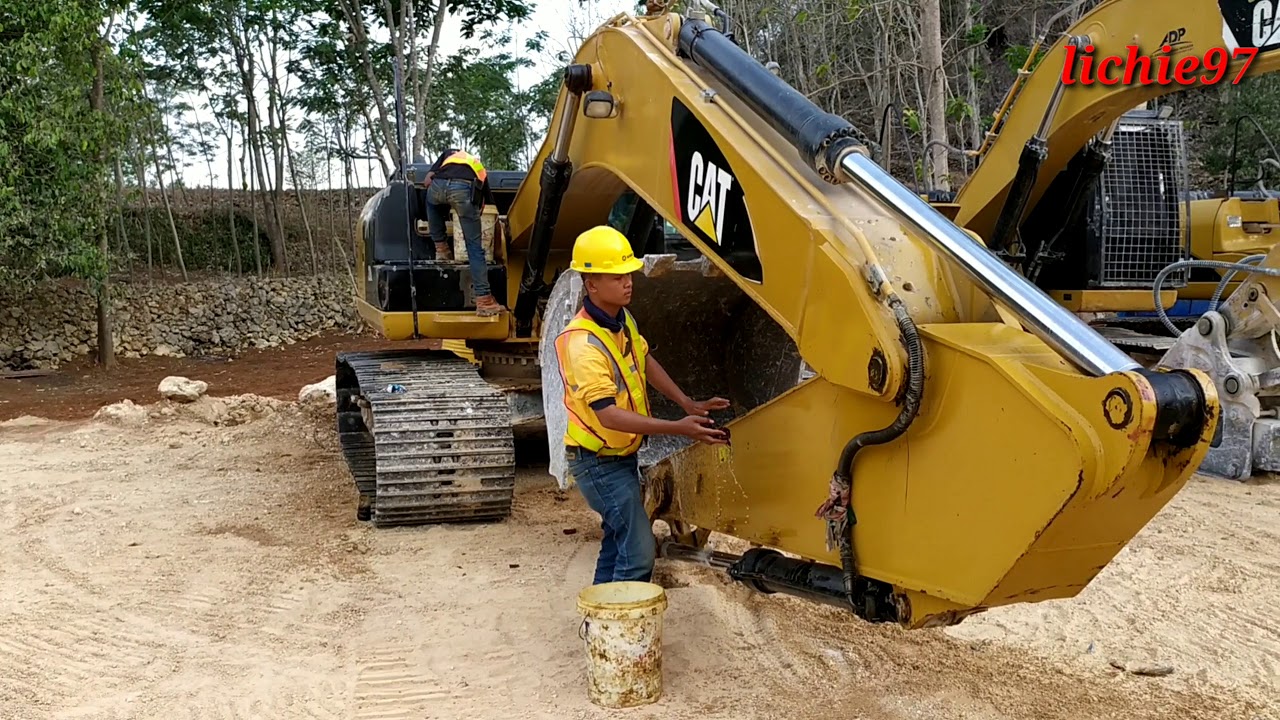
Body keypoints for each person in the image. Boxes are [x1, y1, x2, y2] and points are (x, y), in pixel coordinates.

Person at [554, 225, 731, 585]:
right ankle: (620, 629)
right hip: (598, 463)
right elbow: (609, 415)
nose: (628, 281)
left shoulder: (622, 320)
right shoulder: (582, 343)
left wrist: (687, 402)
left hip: (619, 456)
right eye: (617, 276)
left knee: (619, 542)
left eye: (628, 273)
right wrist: (678, 426)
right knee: (637, 551)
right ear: (591, 285)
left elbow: (644, 359)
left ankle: (602, 620)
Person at [423, 148, 501, 316]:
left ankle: (441, 248)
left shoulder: (447, 155)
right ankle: (484, 300)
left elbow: (427, 181)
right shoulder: (478, 166)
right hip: (463, 190)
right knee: (474, 247)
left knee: (430, 200)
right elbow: (487, 203)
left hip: (438, 185)